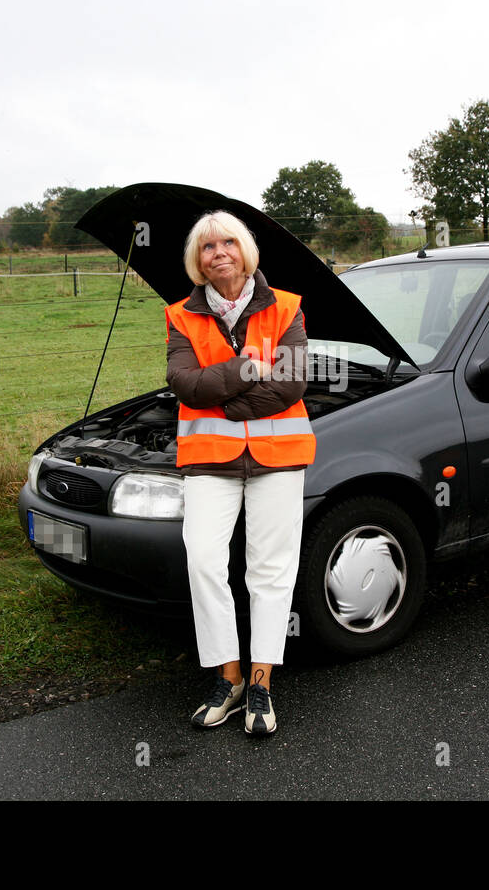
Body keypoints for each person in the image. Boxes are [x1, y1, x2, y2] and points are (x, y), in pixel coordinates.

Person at [165, 210, 315, 736]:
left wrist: (229, 403)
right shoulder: (181, 315)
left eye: (228, 242)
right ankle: (227, 676)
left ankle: (260, 682)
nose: (219, 252)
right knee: (205, 560)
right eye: (207, 247)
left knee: (269, 571)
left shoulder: (287, 307)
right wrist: (248, 369)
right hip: (210, 462)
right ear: (198, 260)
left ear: (245, 250)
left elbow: (293, 382)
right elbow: (185, 384)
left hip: (278, 458)